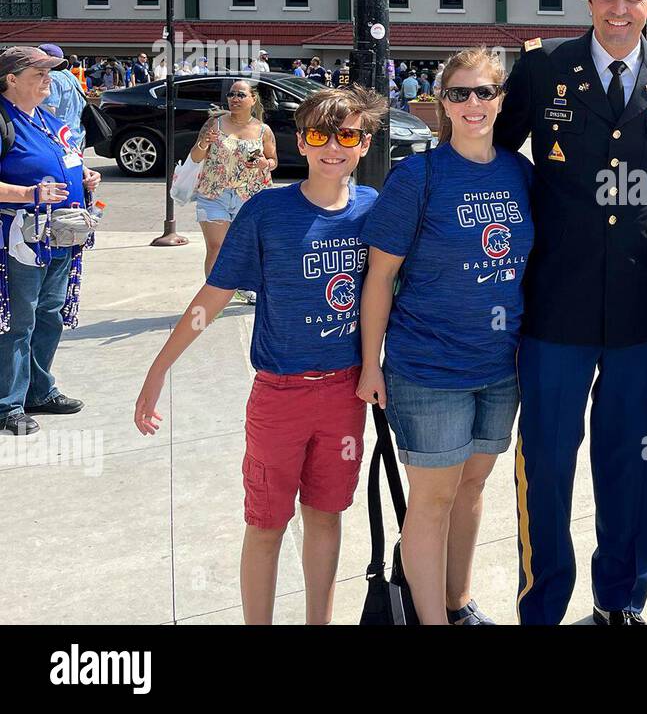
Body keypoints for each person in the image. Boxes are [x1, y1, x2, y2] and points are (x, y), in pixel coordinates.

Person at [495, 0, 647, 625]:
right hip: (555, 301)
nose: (621, 10)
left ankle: (621, 600)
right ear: (589, 2)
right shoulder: (542, 65)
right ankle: (544, 606)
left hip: (644, 307)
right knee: (548, 462)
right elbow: (496, 159)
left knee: (636, 463)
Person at [135, 86, 387, 623]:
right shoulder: (267, 211)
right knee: (267, 522)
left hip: (346, 394)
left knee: (326, 515)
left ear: (364, 143)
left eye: (347, 135)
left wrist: (378, 368)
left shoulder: (373, 210)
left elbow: (388, 293)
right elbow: (214, 298)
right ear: (300, 141)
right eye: (319, 135)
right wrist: (159, 369)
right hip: (280, 394)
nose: (332, 148)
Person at [356, 47, 533, 626]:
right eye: (459, 94)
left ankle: (458, 602)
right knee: (432, 500)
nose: (473, 104)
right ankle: (429, 619)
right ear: (441, 105)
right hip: (428, 369)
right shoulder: (417, 176)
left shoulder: (518, 171)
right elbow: (379, 276)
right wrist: (370, 364)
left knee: (473, 485)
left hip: (500, 366)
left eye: (484, 92)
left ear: (501, 100)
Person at [0, 46, 99, 438]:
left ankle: (39, 390)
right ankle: (8, 403)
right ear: (11, 79)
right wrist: (27, 195)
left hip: (61, 234)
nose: (49, 81)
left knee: (49, 314)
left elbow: (68, 157)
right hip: (21, 236)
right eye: (39, 74)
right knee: (19, 320)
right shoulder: (3, 120)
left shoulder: (44, 118)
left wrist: (86, 175)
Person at [191, 79, 277, 300]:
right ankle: (213, 297)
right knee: (216, 247)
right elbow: (195, 156)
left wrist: (264, 164)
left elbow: (273, 160)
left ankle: (244, 287)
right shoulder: (214, 124)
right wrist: (203, 143)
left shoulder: (263, 130)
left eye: (240, 95)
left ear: (253, 99)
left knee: (246, 248)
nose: (234, 99)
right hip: (214, 193)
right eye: (231, 95)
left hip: (249, 197)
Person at [38, 44, 87, 154]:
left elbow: (49, 112)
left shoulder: (52, 79)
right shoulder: (69, 75)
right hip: (77, 135)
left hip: (62, 139)